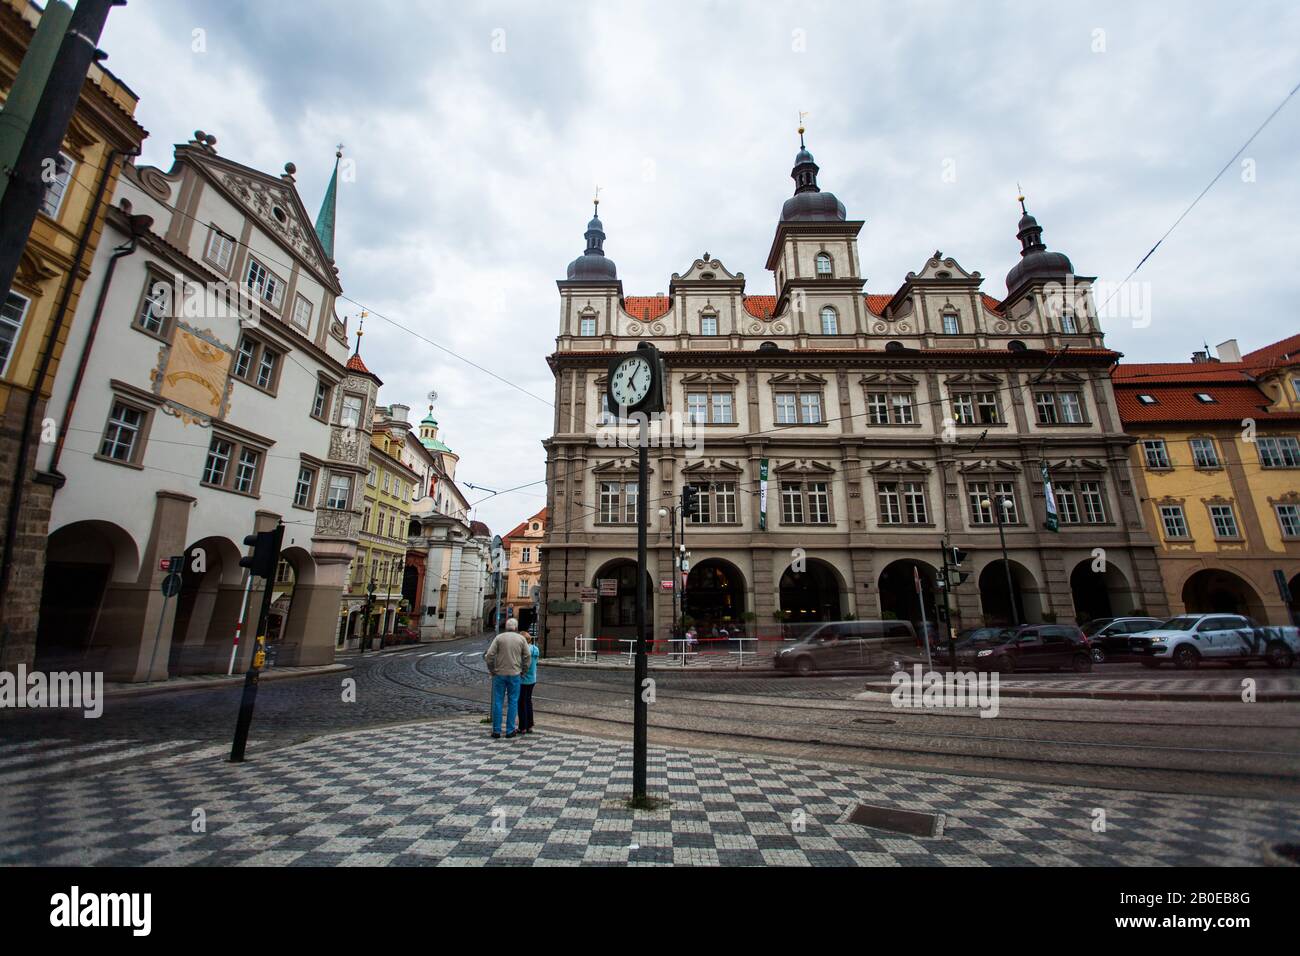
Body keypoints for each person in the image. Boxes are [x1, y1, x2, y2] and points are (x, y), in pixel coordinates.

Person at [483, 619, 530, 739]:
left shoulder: (499, 638)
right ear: (516, 627)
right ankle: (510, 730)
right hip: (515, 674)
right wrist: (524, 671)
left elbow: (489, 655)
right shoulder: (521, 639)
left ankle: (496, 730)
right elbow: (527, 656)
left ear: (506, 626)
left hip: (499, 673)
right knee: (513, 702)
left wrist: (492, 670)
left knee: (498, 701)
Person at [517, 632, 540, 735]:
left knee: (521, 703)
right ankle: (530, 725)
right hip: (532, 679)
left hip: (523, 679)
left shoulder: (524, 650)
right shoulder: (535, 649)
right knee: (528, 701)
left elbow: (521, 664)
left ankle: (523, 727)